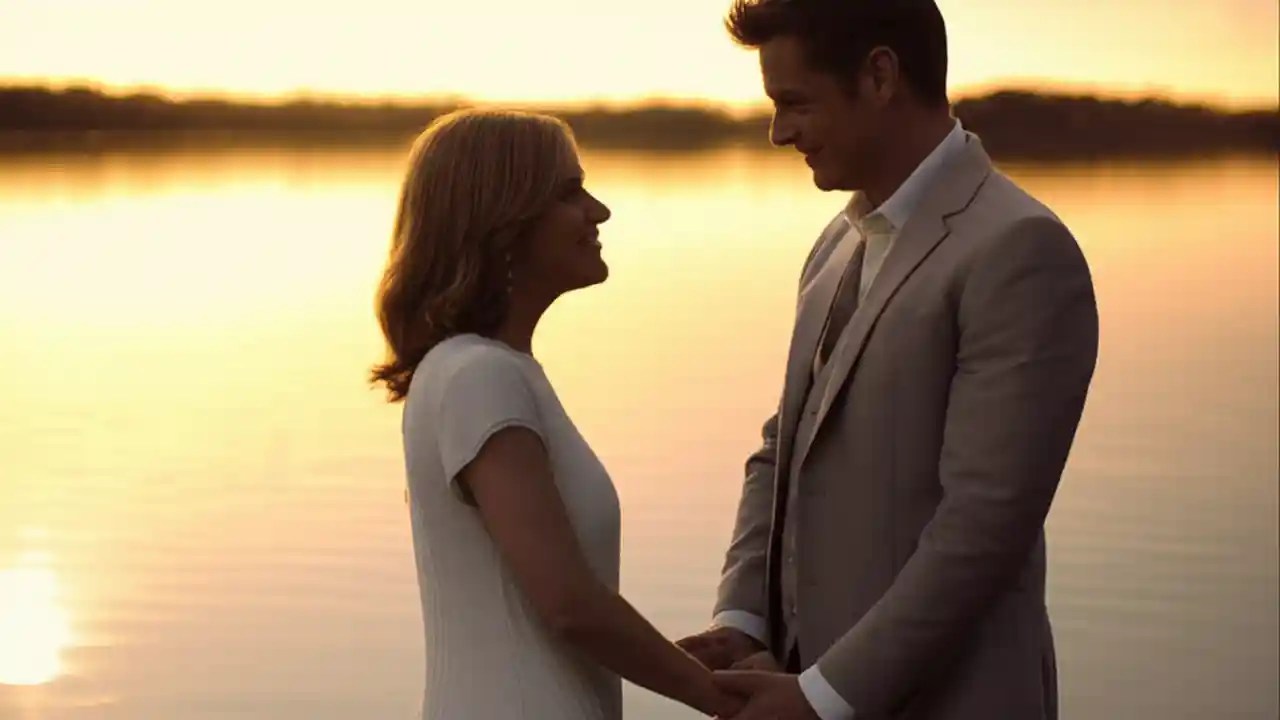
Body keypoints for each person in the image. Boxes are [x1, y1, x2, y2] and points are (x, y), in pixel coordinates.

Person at [677, 1, 1099, 718]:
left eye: (795, 103)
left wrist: (823, 697)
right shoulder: (837, 244)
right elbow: (783, 454)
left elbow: (983, 530)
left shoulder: (1020, 250)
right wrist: (741, 619)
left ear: (879, 76)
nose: (779, 133)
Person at [371, 108, 740, 719]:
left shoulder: (482, 371)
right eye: (570, 192)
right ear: (505, 221)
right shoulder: (479, 378)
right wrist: (716, 697)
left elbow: (534, 613)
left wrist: (680, 662)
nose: (599, 211)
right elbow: (568, 603)